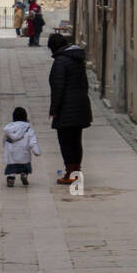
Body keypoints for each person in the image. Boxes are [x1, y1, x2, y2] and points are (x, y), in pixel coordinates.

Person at [47, 32, 92, 185]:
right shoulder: (77, 59)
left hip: (67, 109)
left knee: (66, 142)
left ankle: (70, 173)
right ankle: (76, 171)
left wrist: (54, 110)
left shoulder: (61, 61)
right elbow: (85, 84)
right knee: (76, 141)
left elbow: (58, 88)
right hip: (80, 107)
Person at [2, 105, 40, 187]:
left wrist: (6, 149)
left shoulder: (9, 129)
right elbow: (33, 142)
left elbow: (4, 141)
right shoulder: (28, 129)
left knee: (11, 167)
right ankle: (24, 174)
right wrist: (37, 151)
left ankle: (11, 178)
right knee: (25, 166)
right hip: (24, 154)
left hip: (12, 154)